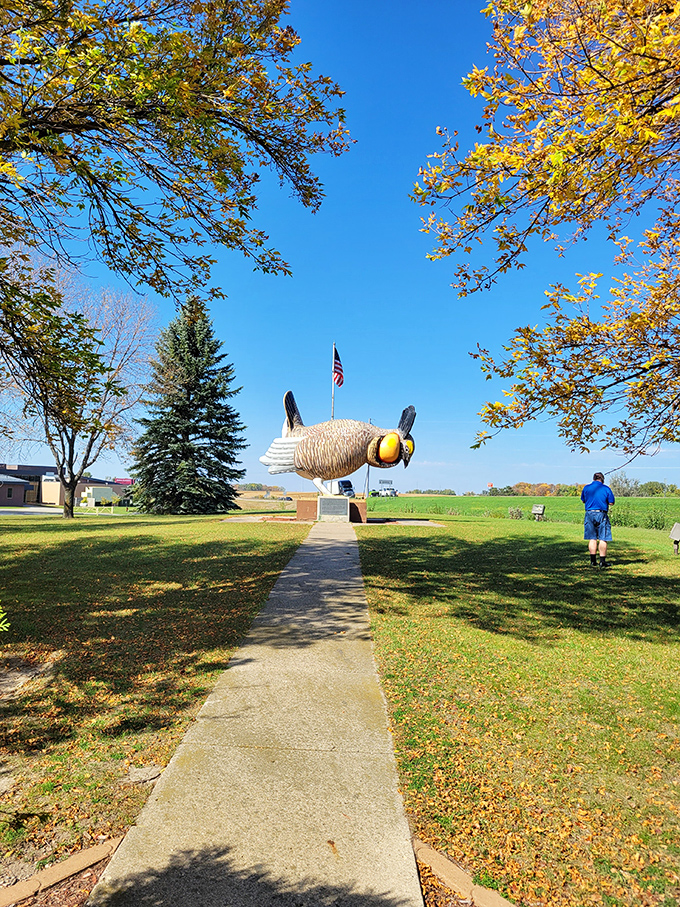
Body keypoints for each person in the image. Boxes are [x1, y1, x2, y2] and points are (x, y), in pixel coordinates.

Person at [581, 472, 615, 568]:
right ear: (602, 479)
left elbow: (583, 500)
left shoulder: (586, 488)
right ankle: (602, 561)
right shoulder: (606, 488)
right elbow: (611, 502)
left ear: (593, 478)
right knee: (603, 538)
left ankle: (593, 561)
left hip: (589, 514)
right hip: (601, 514)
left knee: (592, 538)